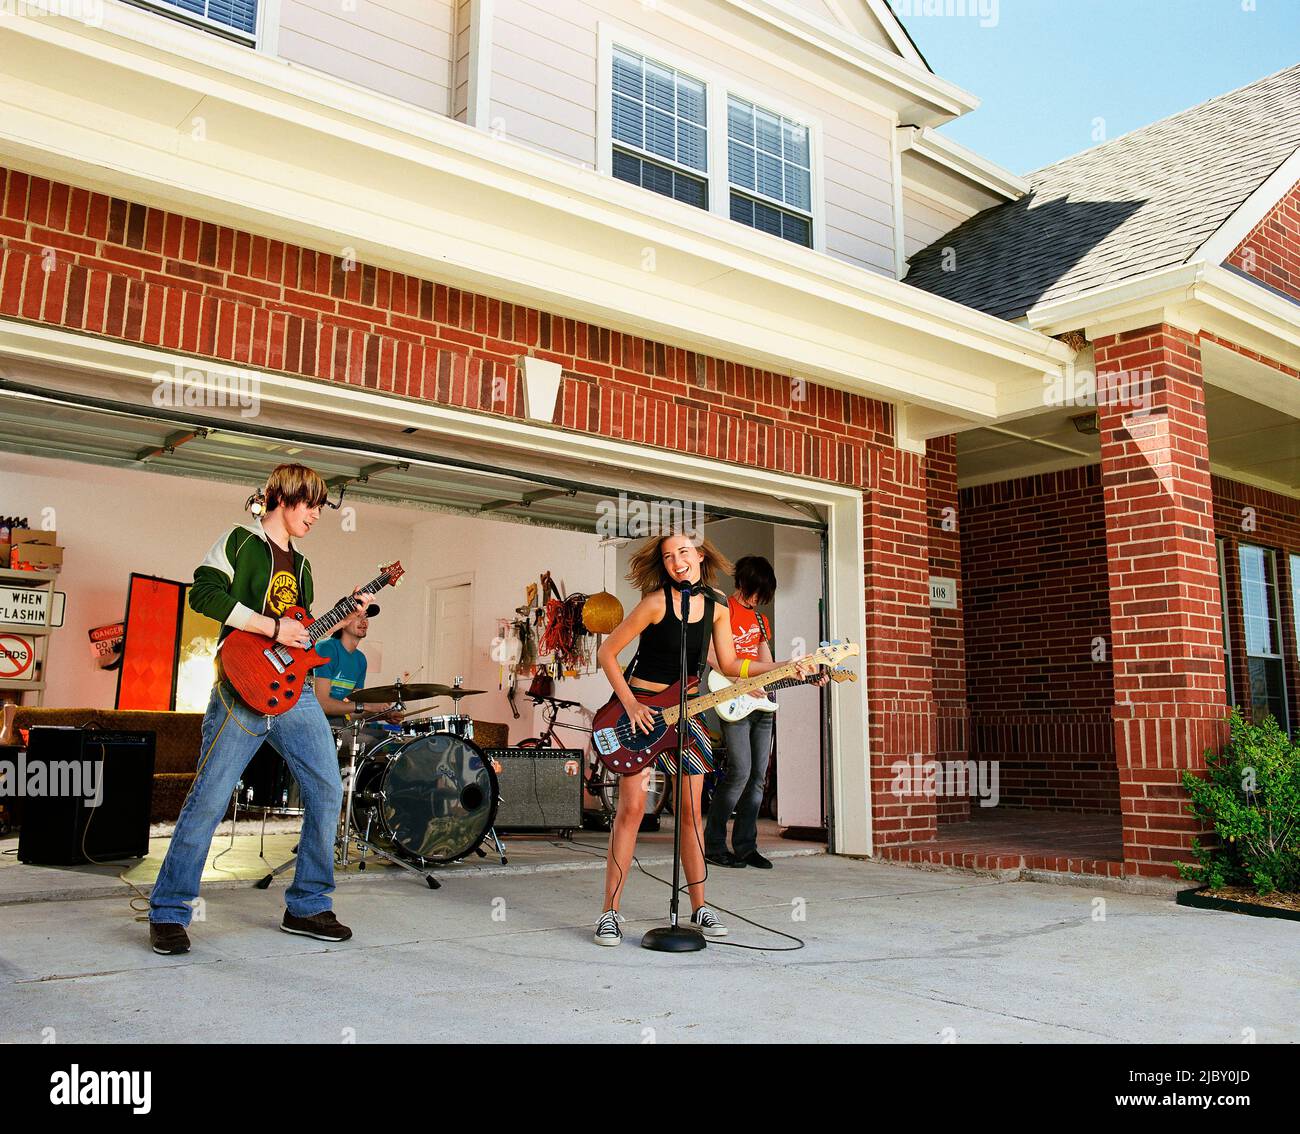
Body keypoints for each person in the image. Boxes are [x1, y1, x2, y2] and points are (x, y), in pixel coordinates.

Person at [147, 464, 364, 956]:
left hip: (296, 693)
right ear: (284, 498)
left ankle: (307, 905)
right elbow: (203, 594)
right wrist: (270, 628)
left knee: (328, 790)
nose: (315, 515)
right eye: (309, 505)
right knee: (208, 800)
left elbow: (299, 636)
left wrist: (340, 616)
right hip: (240, 688)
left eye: (318, 507)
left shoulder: (304, 568)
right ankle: (168, 911)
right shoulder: (239, 542)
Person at [591, 529, 815, 947]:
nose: (677, 561)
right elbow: (607, 654)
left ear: (698, 555)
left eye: (683, 552)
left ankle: (699, 907)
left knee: (693, 814)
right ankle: (610, 913)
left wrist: (785, 665)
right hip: (641, 712)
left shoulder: (716, 605)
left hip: (687, 713)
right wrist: (633, 704)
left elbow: (730, 664)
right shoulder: (656, 603)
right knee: (632, 811)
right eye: (669, 556)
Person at [704, 556, 824, 870]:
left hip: (761, 705)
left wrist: (806, 676)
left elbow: (767, 663)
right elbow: (712, 655)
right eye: (753, 591)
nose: (756, 599)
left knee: (757, 779)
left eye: (762, 595)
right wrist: (739, 683)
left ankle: (745, 847)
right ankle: (714, 844)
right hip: (732, 696)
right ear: (741, 582)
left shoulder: (760, 621)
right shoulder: (722, 609)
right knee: (739, 773)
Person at [315, 604, 402, 724]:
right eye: (358, 616)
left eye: (366, 617)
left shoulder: (360, 659)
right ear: (342, 622)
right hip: (318, 724)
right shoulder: (326, 648)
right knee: (371, 741)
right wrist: (366, 706)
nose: (364, 621)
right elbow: (322, 704)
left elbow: (353, 712)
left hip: (342, 724)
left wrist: (384, 714)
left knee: (386, 738)